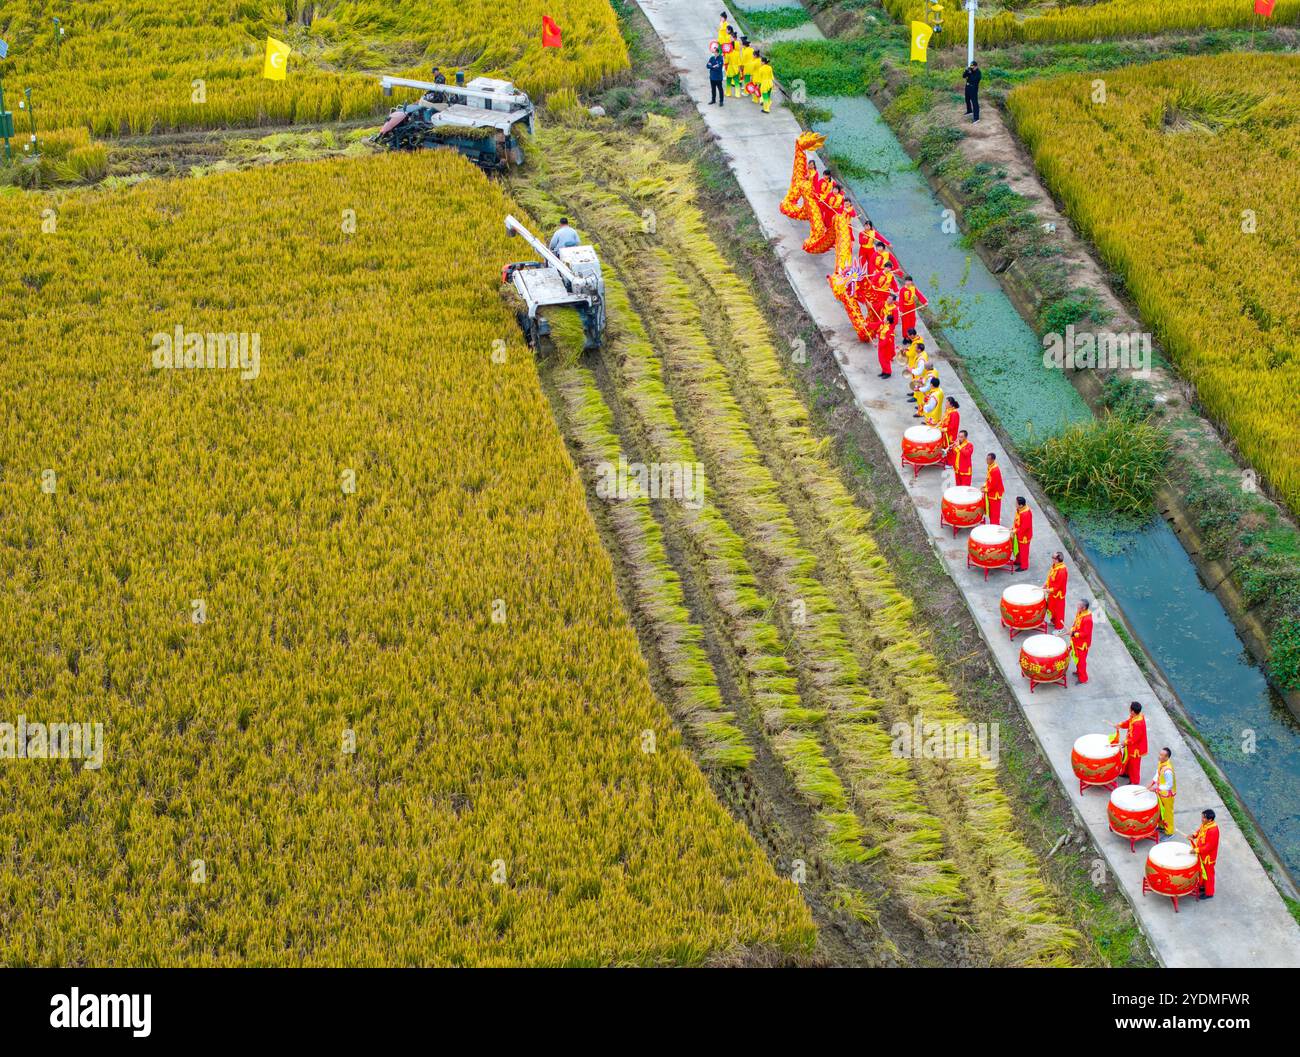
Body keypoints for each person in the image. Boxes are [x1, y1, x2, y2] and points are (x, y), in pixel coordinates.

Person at [1114, 701, 1148, 786]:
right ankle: (1126, 773)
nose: (1129, 709)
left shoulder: (1138, 724)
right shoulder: (1137, 716)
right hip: (1131, 746)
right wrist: (1120, 725)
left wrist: (1124, 742)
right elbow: (1129, 722)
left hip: (1135, 748)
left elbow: (1134, 739)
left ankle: (1134, 781)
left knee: (1134, 765)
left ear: (1133, 711)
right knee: (1127, 760)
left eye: (1130, 708)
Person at [1190, 809, 1219, 899]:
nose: (1202, 819)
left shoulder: (1214, 830)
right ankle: (1203, 887)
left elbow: (1209, 847)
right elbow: (1200, 831)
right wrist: (1193, 835)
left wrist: (1197, 850)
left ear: (1210, 820)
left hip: (1208, 857)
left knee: (1209, 874)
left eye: (1203, 818)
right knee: (1202, 872)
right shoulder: (1206, 824)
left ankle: (1209, 893)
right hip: (1202, 854)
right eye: (1202, 817)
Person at [1149, 747, 1176, 838]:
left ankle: (1169, 832)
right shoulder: (1161, 763)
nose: (1159, 756)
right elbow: (1158, 774)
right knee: (1160, 811)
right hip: (1161, 792)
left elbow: (1169, 785)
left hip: (1167, 795)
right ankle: (1161, 826)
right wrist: (1151, 783)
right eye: (1159, 754)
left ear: (1167, 757)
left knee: (1167, 813)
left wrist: (1157, 787)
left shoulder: (1168, 770)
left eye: (1161, 755)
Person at [1070, 599, 1093, 684]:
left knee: (1081, 662)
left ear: (1083, 608)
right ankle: (1078, 672)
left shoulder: (1088, 619)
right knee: (1077, 658)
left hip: (1082, 644)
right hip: (1076, 640)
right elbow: (1075, 623)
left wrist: (1074, 634)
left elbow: (1085, 633)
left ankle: (1083, 679)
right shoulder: (1079, 613)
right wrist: (1072, 629)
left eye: (1079, 606)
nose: (1077, 606)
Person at [1044, 553, 1067, 630]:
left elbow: (1058, 586)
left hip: (1058, 594)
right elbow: (1049, 576)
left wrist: (1048, 590)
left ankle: (1059, 627)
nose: (1052, 559)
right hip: (1052, 593)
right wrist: (1045, 584)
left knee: (1059, 611)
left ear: (1057, 560)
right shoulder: (1054, 566)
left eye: (1053, 557)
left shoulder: (1062, 571)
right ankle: (1053, 621)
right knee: (1052, 608)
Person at [981, 452, 1005, 524]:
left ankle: (995, 526)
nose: (987, 460)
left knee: (994, 513)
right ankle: (993, 524)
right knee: (992, 512)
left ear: (993, 460)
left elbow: (993, 484)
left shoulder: (995, 470)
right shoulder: (991, 466)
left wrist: (985, 490)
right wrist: (984, 485)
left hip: (995, 494)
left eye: (988, 459)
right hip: (992, 493)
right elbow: (989, 479)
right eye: (987, 459)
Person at [1012, 495, 1032, 571]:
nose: (1015, 504)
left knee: (1023, 551)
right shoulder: (1020, 509)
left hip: (1024, 536)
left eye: (1016, 503)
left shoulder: (1026, 514)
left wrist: (1015, 531)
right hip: (1019, 533)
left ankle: (1024, 566)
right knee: (1018, 548)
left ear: (1021, 505)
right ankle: (1018, 561)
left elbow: (1024, 527)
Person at [876, 306, 897, 378]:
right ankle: (884, 371)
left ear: (888, 321)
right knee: (881, 359)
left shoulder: (889, 329)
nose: (883, 319)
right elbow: (876, 324)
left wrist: (879, 345)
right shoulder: (884, 324)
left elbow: (887, 340)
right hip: (881, 344)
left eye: (885, 318)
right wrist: (867, 325)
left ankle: (888, 372)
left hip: (885, 346)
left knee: (885, 359)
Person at [723, 31, 742, 99]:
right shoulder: (737, 53)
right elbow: (739, 63)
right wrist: (740, 70)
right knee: (737, 82)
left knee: (728, 81)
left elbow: (726, 62)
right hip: (736, 69)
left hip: (730, 69)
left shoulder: (728, 54)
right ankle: (737, 94)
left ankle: (728, 93)